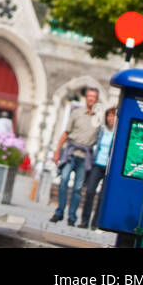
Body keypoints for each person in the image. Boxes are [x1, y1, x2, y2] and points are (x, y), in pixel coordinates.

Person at [50, 87, 101, 225]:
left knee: (78, 188)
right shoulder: (76, 113)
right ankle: (59, 212)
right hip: (71, 152)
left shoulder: (98, 119)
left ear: (96, 100)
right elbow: (65, 133)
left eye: (93, 97)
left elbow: (101, 137)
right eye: (89, 96)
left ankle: (72, 217)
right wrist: (57, 152)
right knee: (63, 181)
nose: (91, 99)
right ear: (86, 98)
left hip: (85, 157)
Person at [79, 106, 116, 228]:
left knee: (102, 196)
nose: (110, 118)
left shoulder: (118, 133)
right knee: (90, 192)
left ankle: (95, 223)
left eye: (112, 116)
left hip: (108, 168)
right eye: (108, 115)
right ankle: (84, 221)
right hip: (97, 164)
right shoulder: (101, 130)